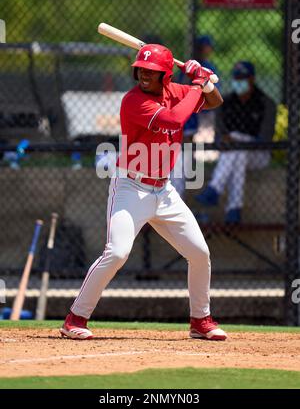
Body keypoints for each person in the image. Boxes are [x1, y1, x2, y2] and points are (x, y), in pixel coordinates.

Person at [60, 44, 227, 341]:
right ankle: (75, 318)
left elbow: (215, 101)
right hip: (130, 187)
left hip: (164, 191)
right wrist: (197, 85)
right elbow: (175, 120)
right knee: (117, 252)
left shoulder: (176, 90)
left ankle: (200, 320)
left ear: (165, 75)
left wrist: (204, 80)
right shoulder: (133, 101)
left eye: (153, 72)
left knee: (200, 253)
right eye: (141, 70)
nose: (145, 75)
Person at [196, 61, 276, 224]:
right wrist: (226, 139)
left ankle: (214, 189)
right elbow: (219, 136)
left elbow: (264, 139)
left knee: (240, 144)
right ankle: (234, 208)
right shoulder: (225, 103)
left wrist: (237, 139)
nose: (239, 81)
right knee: (238, 152)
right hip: (233, 153)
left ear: (252, 79)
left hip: (259, 156)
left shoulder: (266, 103)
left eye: (243, 78)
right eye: (236, 78)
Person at [171, 35, 219, 198]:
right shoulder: (186, 66)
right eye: (204, 47)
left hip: (200, 114)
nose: (206, 50)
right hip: (184, 114)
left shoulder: (206, 67)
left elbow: (215, 97)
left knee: (184, 153)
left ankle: (179, 192)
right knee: (178, 155)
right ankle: (178, 191)